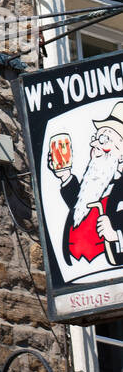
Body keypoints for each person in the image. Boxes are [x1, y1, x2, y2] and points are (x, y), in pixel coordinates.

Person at [48, 102, 123, 266]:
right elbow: (79, 206)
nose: (94, 144)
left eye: (104, 139)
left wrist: (116, 235)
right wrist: (64, 176)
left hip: (108, 269)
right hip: (78, 271)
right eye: (96, 138)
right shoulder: (97, 183)